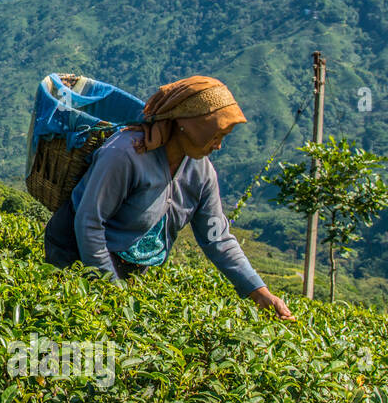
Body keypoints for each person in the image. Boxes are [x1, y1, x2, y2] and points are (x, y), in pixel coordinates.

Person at [44, 76, 295, 320]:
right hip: (74, 252)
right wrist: (110, 289)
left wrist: (259, 292)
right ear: (189, 125)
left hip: (126, 264)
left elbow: (218, 238)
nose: (218, 146)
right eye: (216, 135)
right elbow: (89, 224)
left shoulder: (201, 172)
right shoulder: (125, 154)